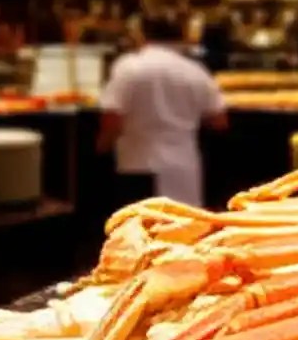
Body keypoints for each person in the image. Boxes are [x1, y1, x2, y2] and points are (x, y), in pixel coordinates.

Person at [97, 15, 227, 208]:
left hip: (137, 164)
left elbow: (113, 117)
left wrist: (102, 148)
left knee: (138, 230)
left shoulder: (129, 67)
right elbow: (219, 121)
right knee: (185, 229)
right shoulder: (195, 70)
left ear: (142, 34)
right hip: (183, 166)